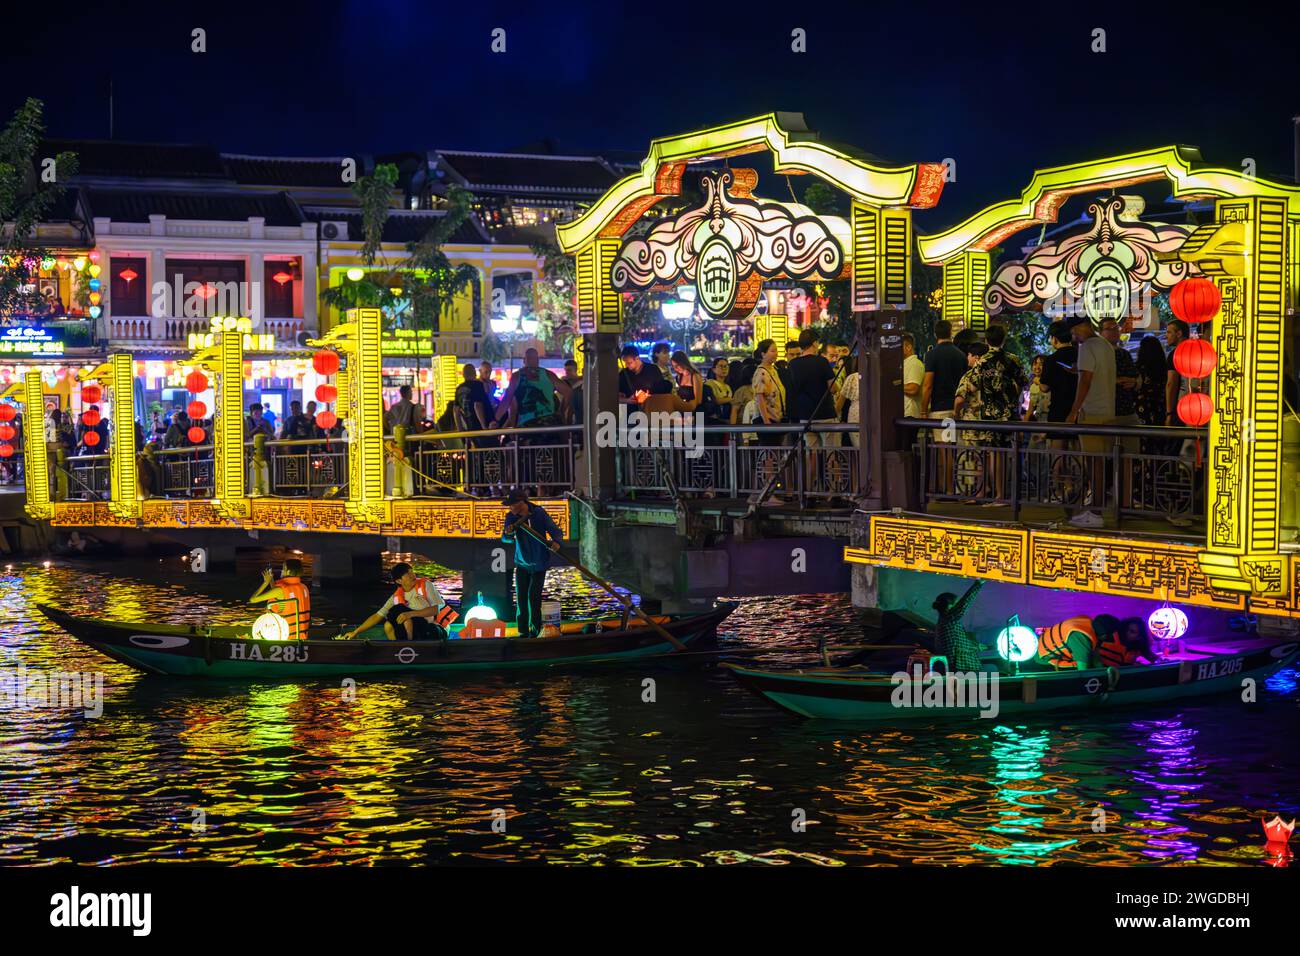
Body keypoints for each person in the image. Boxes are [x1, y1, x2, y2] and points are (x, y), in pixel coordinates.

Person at [1065, 314, 1116, 528]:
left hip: (1092, 413)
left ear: (1083, 327)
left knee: (1093, 463)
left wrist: (1073, 411)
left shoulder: (1086, 347)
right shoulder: (1106, 345)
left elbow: (1086, 380)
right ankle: (1097, 509)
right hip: (1108, 412)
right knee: (1101, 462)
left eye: (1074, 331)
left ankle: (1095, 512)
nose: (1074, 336)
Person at [501, 490, 564, 639]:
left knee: (533, 598)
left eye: (512, 505)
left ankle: (535, 632)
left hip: (539, 564)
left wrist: (557, 542)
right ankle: (523, 631)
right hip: (522, 563)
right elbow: (505, 538)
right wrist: (509, 533)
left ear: (521, 503)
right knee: (521, 598)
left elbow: (555, 531)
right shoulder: (511, 517)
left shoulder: (539, 514)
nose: (510, 508)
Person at [340, 562, 455, 641]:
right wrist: (355, 632)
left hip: (434, 629)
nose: (412, 575)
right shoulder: (396, 597)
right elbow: (377, 616)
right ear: (399, 581)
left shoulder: (426, 585)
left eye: (412, 572)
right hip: (415, 630)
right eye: (407, 574)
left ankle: (408, 646)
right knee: (388, 624)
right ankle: (397, 648)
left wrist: (409, 614)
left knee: (401, 613)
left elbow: (435, 610)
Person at [494, 348, 572, 431]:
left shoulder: (517, 377)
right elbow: (569, 392)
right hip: (550, 423)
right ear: (538, 360)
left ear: (524, 360)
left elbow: (507, 400)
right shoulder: (549, 375)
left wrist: (495, 420)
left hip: (527, 425)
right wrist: (561, 411)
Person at [787, 328, 837, 447]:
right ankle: (829, 466)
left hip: (805, 414)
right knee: (830, 452)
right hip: (825, 413)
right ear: (814, 343)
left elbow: (792, 389)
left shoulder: (793, 364)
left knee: (811, 452)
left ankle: (812, 467)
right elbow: (833, 388)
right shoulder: (822, 361)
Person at [247, 557, 312, 641]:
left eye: (283, 568)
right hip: (302, 636)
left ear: (288, 571)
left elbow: (253, 599)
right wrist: (271, 581)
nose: (282, 571)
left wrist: (265, 582)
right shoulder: (303, 587)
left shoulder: (281, 590)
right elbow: (281, 598)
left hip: (286, 637)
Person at [932, 579, 985, 672]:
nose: (957, 606)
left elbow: (957, 644)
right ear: (949, 606)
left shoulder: (944, 622)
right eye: (956, 604)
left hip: (960, 667)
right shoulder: (948, 619)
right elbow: (964, 604)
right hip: (961, 668)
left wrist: (976, 646)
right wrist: (978, 584)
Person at [1135, 335, 1168, 452]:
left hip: (1142, 408)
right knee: (1158, 442)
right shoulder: (1163, 368)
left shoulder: (1140, 369)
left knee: (1143, 442)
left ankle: (1144, 468)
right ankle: (1158, 468)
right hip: (1159, 408)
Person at [454, 362, 491, 434]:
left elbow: (456, 410)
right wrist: (484, 427)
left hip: (467, 425)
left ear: (463, 375)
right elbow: (477, 405)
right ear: (474, 373)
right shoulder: (478, 385)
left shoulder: (459, 389)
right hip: (478, 425)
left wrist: (460, 430)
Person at [901, 332, 925, 420]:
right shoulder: (904, 364)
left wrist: (893, 386)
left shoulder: (915, 364)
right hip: (903, 413)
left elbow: (913, 389)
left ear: (908, 347)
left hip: (910, 415)